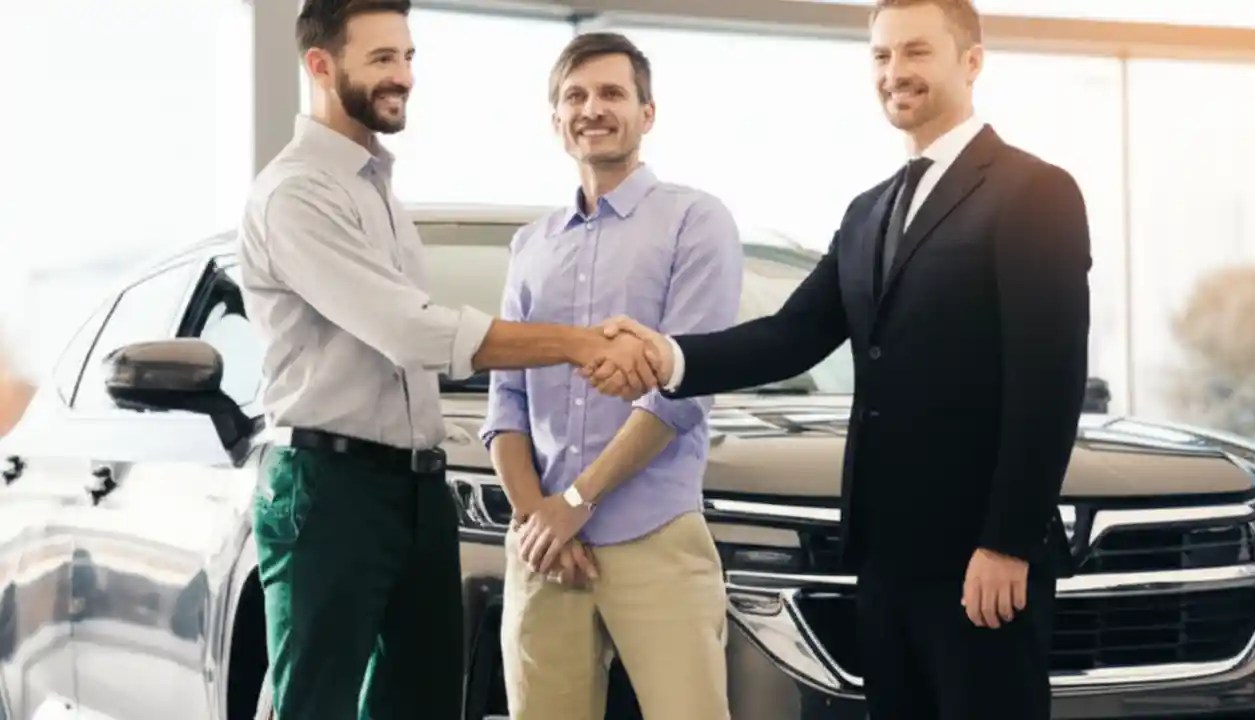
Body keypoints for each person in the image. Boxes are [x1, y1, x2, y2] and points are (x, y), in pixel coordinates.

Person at [593, 0, 1092, 718]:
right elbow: (790, 336)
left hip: (979, 556)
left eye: (916, 52)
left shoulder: (1033, 191)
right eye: (882, 56)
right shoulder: (868, 211)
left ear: (971, 61)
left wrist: (1007, 543)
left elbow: (1048, 386)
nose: (895, 73)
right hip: (883, 557)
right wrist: (665, 354)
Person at [236, 2, 655, 719]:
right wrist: (579, 342)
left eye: (407, 57)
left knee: (422, 703)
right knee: (316, 706)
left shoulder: (378, 190)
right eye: (381, 60)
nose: (401, 76)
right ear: (320, 65)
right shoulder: (296, 192)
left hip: (419, 489)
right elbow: (413, 333)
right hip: (328, 490)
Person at [481, 32, 742, 720]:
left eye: (611, 93)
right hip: (541, 549)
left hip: (653, 535)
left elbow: (682, 391)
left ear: (647, 113)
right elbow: (505, 400)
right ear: (556, 120)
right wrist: (538, 514)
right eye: (575, 96)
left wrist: (577, 503)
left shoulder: (695, 220)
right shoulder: (530, 246)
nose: (592, 108)